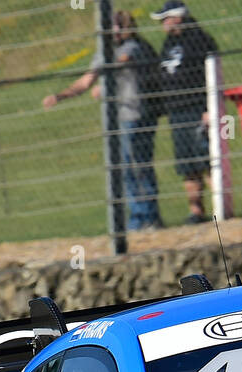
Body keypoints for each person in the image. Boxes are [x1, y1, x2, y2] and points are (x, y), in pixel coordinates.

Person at [42, 11, 163, 230]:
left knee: (139, 166)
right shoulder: (104, 52)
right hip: (118, 119)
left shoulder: (135, 46)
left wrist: (104, 86)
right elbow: (86, 81)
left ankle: (148, 217)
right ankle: (138, 218)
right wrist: (60, 96)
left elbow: (123, 61)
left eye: (118, 28)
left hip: (137, 115)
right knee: (125, 168)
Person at [152, 1, 219, 224]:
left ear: (176, 18)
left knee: (206, 161)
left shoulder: (199, 40)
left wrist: (208, 108)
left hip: (197, 109)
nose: (162, 24)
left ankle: (220, 207)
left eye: (165, 19)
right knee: (187, 165)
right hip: (177, 112)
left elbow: (210, 75)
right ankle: (196, 211)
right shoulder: (168, 43)